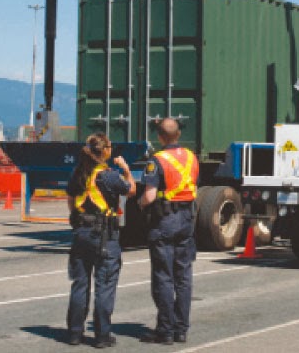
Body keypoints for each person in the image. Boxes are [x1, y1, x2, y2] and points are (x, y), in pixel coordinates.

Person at [65, 132, 135, 347]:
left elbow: (70, 200)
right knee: (104, 285)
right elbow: (131, 190)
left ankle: (75, 333)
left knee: (80, 284)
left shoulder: (77, 173)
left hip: (81, 233)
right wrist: (126, 169)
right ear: (105, 151)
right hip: (104, 235)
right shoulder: (108, 175)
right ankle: (102, 336)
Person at [138, 118, 199, 345]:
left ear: (161, 137)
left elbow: (150, 195)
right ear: (178, 134)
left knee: (164, 277)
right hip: (186, 219)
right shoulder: (191, 157)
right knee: (183, 277)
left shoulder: (158, 160)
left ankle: (165, 330)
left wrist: (141, 204)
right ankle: (181, 329)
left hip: (164, 221)